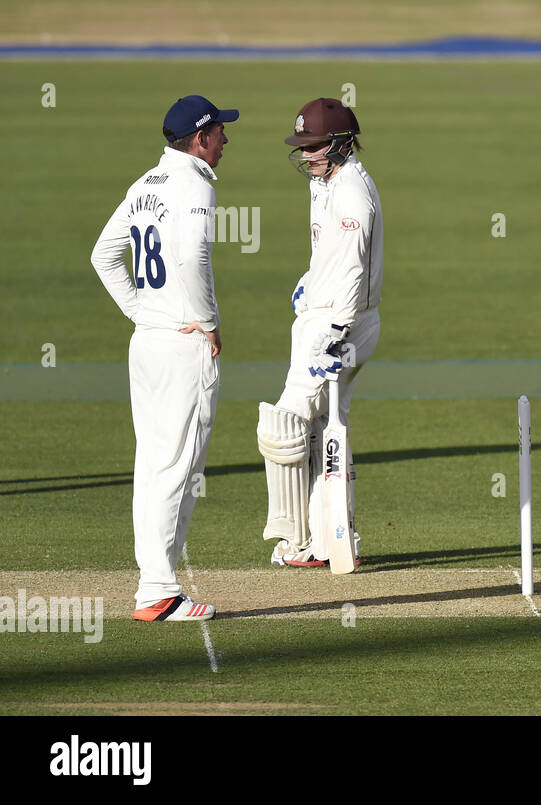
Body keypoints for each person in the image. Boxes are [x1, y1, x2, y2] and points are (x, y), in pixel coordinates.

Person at [91, 94, 237, 622]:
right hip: (180, 345)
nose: (225, 140)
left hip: (148, 342)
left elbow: (103, 255)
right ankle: (158, 590)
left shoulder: (144, 184)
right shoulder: (193, 183)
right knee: (175, 466)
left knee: (152, 464)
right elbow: (191, 252)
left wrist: (140, 311)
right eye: (220, 132)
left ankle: (154, 584)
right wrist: (208, 321)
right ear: (200, 139)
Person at [258, 98, 383, 568]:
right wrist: (307, 282)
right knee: (321, 426)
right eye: (303, 147)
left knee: (284, 424)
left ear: (341, 143)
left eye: (314, 146)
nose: (306, 155)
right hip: (322, 313)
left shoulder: (352, 191)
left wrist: (336, 331)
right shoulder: (324, 181)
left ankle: (296, 538)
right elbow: (326, 251)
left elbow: (352, 269)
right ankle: (331, 536)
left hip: (343, 321)